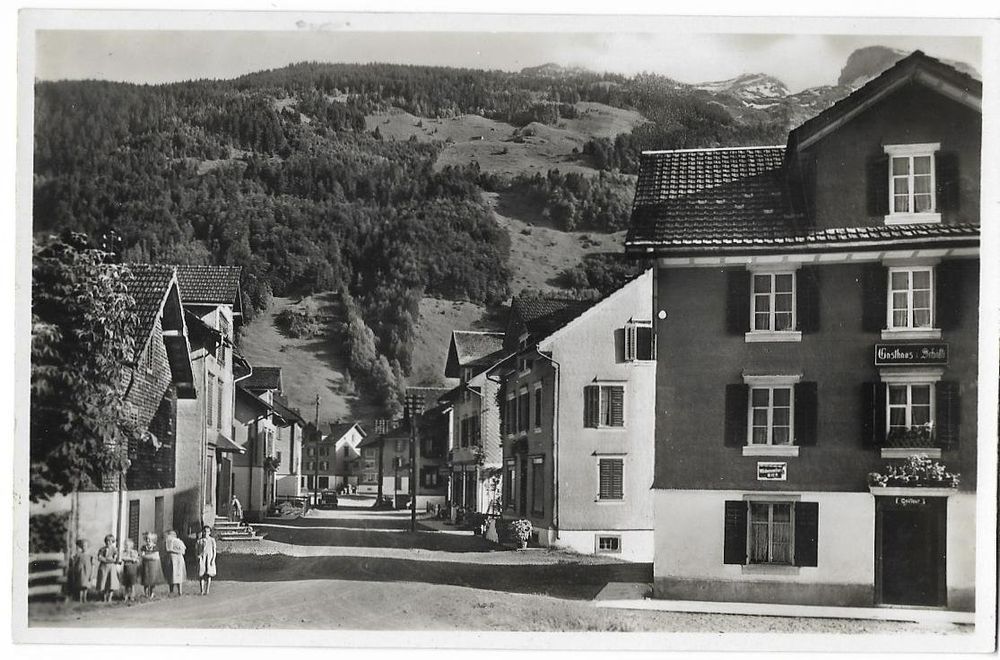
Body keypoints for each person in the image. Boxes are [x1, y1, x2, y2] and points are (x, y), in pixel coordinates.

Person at [67, 538, 95, 603]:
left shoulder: (90, 555)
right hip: (80, 572)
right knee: (81, 585)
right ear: (80, 547)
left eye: (85, 546)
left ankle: (85, 598)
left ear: (87, 547)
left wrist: (92, 574)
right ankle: (80, 599)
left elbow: (93, 564)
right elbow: (74, 561)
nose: (84, 547)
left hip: (87, 572)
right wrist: (72, 559)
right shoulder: (78, 554)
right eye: (82, 546)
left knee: (86, 586)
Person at [95, 534, 120, 603]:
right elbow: (100, 558)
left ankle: (110, 598)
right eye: (107, 541)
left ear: (113, 542)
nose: (108, 542)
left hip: (111, 568)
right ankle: (104, 598)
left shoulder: (115, 550)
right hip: (103, 567)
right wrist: (107, 560)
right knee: (103, 581)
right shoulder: (102, 549)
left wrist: (108, 560)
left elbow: (114, 559)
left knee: (111, 582)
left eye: (110, 541)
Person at [139, 532, 164, 599]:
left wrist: (147, 556)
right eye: (147, 539)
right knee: (146, 579)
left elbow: (155, 557)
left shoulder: (155, 547)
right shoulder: (144, 547)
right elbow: (142, 555)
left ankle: (151, 592)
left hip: (153, 565)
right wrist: (149, 556)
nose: (148, 541)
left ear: (153, 540)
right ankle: (146, 593)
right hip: (146, 565)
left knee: (152, 580)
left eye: (150, 539)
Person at [195, 525, 217, 596]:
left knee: (208, 575)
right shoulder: (199, 541)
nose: (205, 533)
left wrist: (213, 559)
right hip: (202, 558)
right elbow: (196, 550)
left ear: (210, 532)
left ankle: (207, 590)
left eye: (207, 532)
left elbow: (214, 551)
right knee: (201, 574)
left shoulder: (212, 540)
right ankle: (201, 590)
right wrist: (197, 556)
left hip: (209, 558)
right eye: (204, 531)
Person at [164, 530, 186, 596]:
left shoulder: (179, 542)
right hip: (171, 559)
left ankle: (180, 591)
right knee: (171, 575)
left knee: (178, 574)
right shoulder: (168, 542)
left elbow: (183, 551)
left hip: (178, 560)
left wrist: (174, 550)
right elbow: (167, 549)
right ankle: (171, 591)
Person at [119, 538, 140, 604]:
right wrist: (131, 559)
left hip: (132, 569)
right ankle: (125, 596)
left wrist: (133, 559)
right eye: (125, 545)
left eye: (128, 545)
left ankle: (132, 596)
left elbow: (136, 559)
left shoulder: (134, 552)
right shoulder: (124, 552)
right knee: (126, 584)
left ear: (131, 546)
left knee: (132, 583)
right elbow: (123, 558)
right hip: (126, 569)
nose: (126, 547)